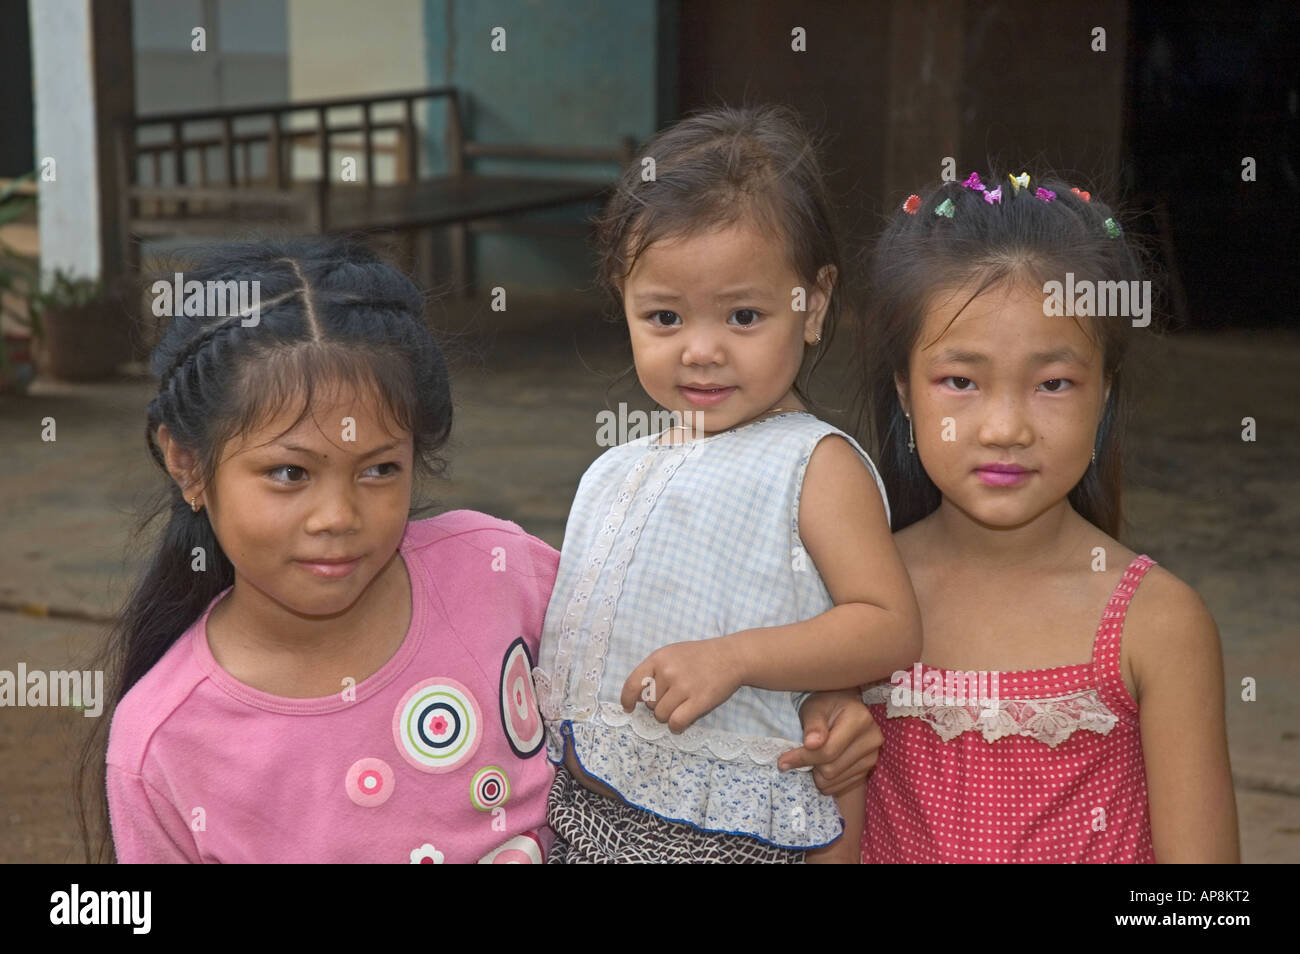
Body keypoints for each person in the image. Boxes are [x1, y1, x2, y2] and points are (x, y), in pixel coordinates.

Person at [78, 237, 876, 863]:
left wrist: (820, 709)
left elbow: (679, 676)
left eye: (379, 469)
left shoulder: (498, 571)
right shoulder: (165, 745)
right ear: (188, 463)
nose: (337, 516)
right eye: (288, 473)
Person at [534, 105, 922, 863]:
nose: (702, 351)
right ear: (623, 297)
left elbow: (887, 624)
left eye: (744, 315)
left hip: (728, 833)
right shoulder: (616, 468)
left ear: (813, 306)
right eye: (665, 317)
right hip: (586, 821)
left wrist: (735, 658)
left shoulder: (812, 463)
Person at [855, 172, 1240, 862]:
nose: (1006, 428)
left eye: (1053, 384)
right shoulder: (854, 599)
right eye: (960, 381)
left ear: (1105, 396)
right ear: (904, 393)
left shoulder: (1157, 622)